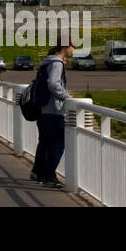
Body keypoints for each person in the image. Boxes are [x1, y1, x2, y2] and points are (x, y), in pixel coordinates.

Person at [30, 41, 74, 188]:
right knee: (58, 144)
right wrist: (66, 96)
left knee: (44, 142)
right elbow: (53, 84)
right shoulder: (57, 63)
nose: (73, 49)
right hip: (53, 110)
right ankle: (49, 175)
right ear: (65, 47)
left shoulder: (46, 62)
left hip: (43, 108)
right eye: (72, 46)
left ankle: (38, 172)